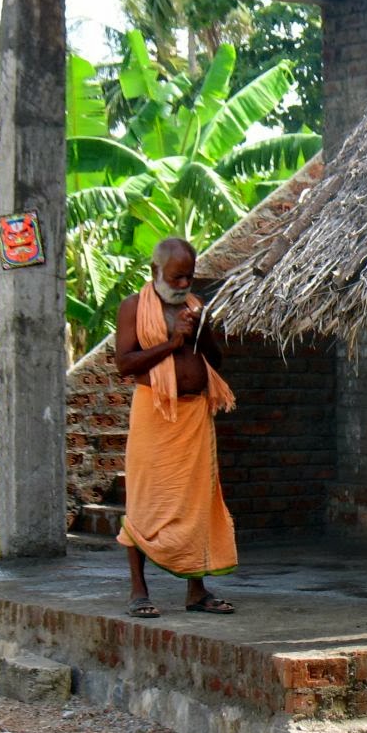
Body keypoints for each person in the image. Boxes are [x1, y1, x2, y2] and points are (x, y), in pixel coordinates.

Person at [114, 238, 237, 617]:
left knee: (197, 500)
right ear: (155, 271)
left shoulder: (195, 307)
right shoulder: (133, 307)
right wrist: (172, 342)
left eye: (189, 277)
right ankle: (139, 590)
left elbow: (216, 360)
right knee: (145, 500)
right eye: (176, 277)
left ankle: (196, 591)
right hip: (155, 414)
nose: (184, 284)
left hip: (194, 415)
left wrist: (202, 331)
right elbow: (125, 363)